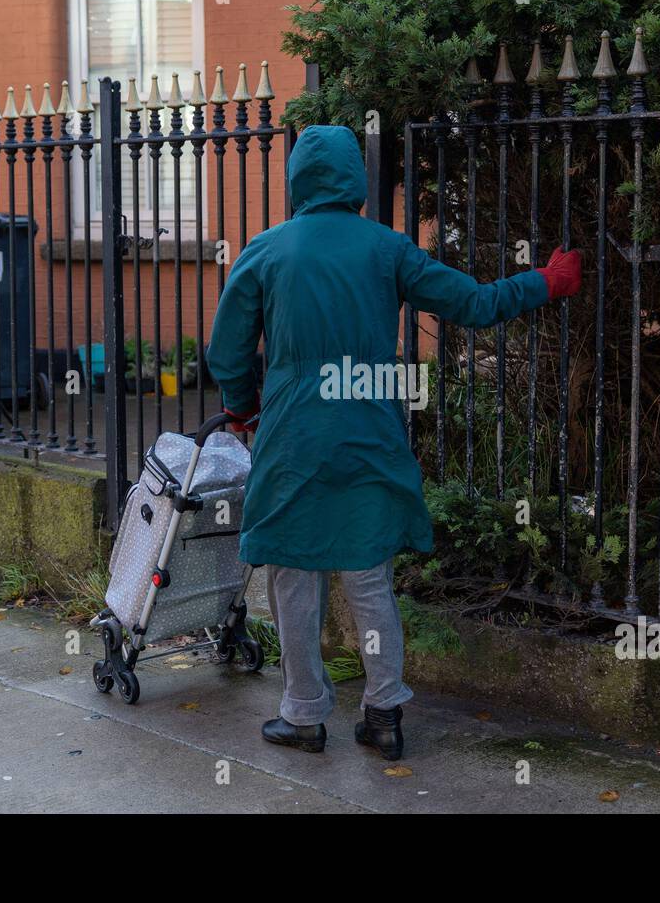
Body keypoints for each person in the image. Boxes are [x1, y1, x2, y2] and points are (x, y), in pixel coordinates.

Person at [206, 125, 582, 759]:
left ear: (298, 179)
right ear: (355, 181)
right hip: (368, 429)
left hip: (295, 433)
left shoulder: (267, 251)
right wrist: (545, 282)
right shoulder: (387, 249)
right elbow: (471, 303)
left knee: (293, 575)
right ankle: (383, 714)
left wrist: (243, 407)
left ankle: (302, 714)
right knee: (368, 573)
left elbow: (227, 349)